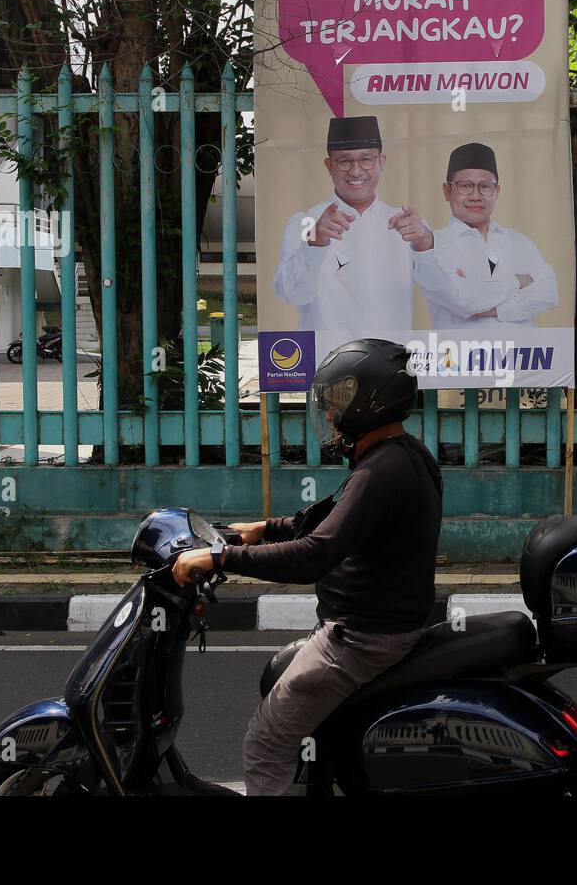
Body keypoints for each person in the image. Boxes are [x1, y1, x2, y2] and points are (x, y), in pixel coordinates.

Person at [172, 338, 442, 796]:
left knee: (265, 741)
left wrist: (220, 557)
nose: (333, 414)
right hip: (376, 627)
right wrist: (263, 528)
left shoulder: (380, 473)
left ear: (368, 403)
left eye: (340, 402)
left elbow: (315, 554)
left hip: (360, 639)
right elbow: (328, 521)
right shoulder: (400, 455)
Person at [273, 116, 435, 331]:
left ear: (381, 162)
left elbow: (445, 295)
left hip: (391, 359)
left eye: (366, 159)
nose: (356, 171)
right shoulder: (305, 222)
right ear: (329, 165)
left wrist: (426, 243)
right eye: (345, 161)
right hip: (327, 359)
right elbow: (292, 293)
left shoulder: (408, 225)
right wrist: (314, 242)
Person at [412, 142, 558, 330]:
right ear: (447, 191)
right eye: (465, 186)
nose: (475, 196)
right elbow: (462, 300)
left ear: (497, 191)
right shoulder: (432, 246)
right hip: (459, 358)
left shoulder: (519, 242)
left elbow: (549, 293)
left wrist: (493, 309)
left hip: (521, 357)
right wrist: (517, 281)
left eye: (485, 187)